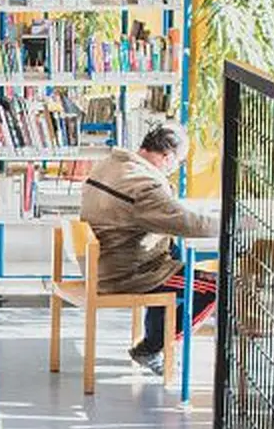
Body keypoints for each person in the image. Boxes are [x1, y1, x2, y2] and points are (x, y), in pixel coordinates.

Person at [79, 123, 219, 375]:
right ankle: (153, 347)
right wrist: (233, 223)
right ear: (167, 157)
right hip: (125, 273)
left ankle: (154, 337)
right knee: (214, 288)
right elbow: (189, 224)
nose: (175, 170)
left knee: (173, 255)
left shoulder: (110, 164)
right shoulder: (143, 186)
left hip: (102, 262)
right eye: (178, 163)